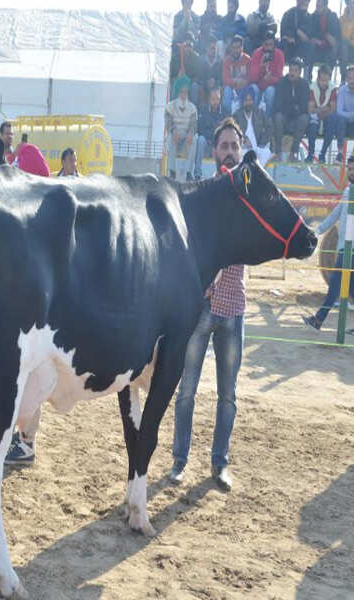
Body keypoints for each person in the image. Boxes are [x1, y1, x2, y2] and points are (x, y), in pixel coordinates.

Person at [170, 116, 245, 492]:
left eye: (234, 146)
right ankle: (179, 461)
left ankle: (219, 464)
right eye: (224, 146)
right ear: (214, 152)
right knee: (186, 391)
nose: (229, 152)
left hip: (235, 307)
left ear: (240, 150)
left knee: (228, 395)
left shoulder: (250, 196)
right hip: (202, 306)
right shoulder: (200, 194)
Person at [303, 155, 354, 331]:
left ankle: (318, 320)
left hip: (351, 249)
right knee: (351, 288)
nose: (351, 171)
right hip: (344, 247)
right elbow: (335, 215)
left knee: (335, 284)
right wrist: (316, 231)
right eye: (350, 168)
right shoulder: (348, 191)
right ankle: (318, 320)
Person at [274, 57, 311, 162]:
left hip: (297, 119)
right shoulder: (282, 82)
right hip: (285, 118)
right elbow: (278, 104)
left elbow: (304, 107)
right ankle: (278, 152)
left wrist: (291, 107)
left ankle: (293, 152)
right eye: (290, 70)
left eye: (295, 71)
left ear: (300, 73)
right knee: (277, 117)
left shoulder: (304, 84)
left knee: (304, 118)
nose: (292, 73)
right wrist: (293, 107)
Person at [165, 75, 198, 181]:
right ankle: (172, 171)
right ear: (177, 92)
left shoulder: (192, 108)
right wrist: (173, 131)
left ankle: (188, 172)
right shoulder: (170, 106)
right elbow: (168, 121)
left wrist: (191, 133)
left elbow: (194, 124)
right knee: (170, 138)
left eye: (185, 92)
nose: (184, 95)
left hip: (186, 137)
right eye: (181, 92)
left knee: (195, 138)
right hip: (175, 134)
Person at [307, 63, 338, 163]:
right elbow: (310, 109)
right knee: (312, 124)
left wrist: (322, 111)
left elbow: (333, 109)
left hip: (326, 115)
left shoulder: (332, 88)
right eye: (322, 80)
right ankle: (310, 153)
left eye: (326, 80)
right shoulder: (312, 87)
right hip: (315, 115)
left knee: (332, 121)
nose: (324, 82)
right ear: (318, 78)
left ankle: (322, 154)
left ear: (329, 78)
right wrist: (324, 108)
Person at [233, 86, 273, 165]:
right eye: (246, 100)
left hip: (257, 148)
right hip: (243, 148)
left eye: (250, 100)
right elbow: (233, 131)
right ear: (242, 101)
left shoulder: (260, 113)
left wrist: (262, 142)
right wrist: (244, 139)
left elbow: (270, 127)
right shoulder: (237, 115)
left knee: (267, 152)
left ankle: (257, 172)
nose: (248, 103)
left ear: (253, 100)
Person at [248, 31, 283, 118]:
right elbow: (252, 78)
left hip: (271, 87)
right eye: (266, 44)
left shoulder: (279, 54)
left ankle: (267, 120)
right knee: (253, 88)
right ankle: (254, 119)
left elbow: (279, 79)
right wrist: (261, 66)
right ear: (263, 44)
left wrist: (270, 79)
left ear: (274, 45)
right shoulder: (256, 53)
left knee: (270, 91)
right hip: (258, 86)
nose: (268, 47)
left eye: (271, 44)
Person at [195, 88, 227, 179]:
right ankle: (197, 173)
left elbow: (224, 131)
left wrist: (215, 144)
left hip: (217, 145)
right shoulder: (203, 110)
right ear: (209, 99)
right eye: (213, 99)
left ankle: (223, 174)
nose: (215, 101)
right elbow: (200, 129)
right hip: (206, 144)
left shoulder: (224, 112)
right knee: (200, 139)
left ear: (220, 99)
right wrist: (211, 140)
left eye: (217, 99)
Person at [281, 0, 314, 80]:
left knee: (310, 46)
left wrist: (297, 36)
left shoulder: (309, 17)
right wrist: (297, 33)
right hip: (289, 48)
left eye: (307, 1)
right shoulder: (288, 14)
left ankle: (307, 79)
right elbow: (284, 34)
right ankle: (284, 79)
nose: (305, 2)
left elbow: (309, 37)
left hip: (303, 49)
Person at [170, 31, 203, 105]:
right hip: (178, 81)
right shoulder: (175, 58)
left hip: (190, 82)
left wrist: (188, 80)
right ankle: (172, 109)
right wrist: (177, 77)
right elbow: (170, 76)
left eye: (190, 45)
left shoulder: (196, 58)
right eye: (186, 45)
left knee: (195, 86)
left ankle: (194, 110)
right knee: (173, 85)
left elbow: (198, 76)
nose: (188, 48)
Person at [221, 35, 251, 114]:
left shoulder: (248, 60)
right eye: (233, 48)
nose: (235, 50)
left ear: (242, 47)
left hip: (244, 88)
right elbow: (225, 79)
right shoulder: (226, 61)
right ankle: (227, 117)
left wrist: (245, 82)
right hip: (231, 89)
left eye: (238, 47)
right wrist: (236, 82)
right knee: (227, 91)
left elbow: (250, 77)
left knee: (250, 89)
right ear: (231, 48)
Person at [310, 0, 341, 70]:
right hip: (317, 45)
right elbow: (311, 33)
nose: (317, 8)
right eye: (316, 6)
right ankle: (308, 76)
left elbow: (337, 34)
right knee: (310, 47)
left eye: (319, 6)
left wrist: (329, 39)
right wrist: (321, 39)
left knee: (334, 47)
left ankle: (328, 75)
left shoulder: (333, 16)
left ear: (325, 6)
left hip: (329, 45)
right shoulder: (313, 17)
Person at [336, 65, 354, 162]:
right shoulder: (342, 90)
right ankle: (340, 152)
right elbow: (339, 111)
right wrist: (352, 115)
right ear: (346, 79)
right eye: (350, 78)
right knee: (340, 119)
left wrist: (348, 114)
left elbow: (343, 112)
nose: (352, 81)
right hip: (344, 125)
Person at [341, 0, 354, 67]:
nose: (352, 5)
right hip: (346, 47)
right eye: (350, 3)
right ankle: (343, 75)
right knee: (344, 43)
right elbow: (342, 36)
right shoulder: (342, 19)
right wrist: (349, 20)